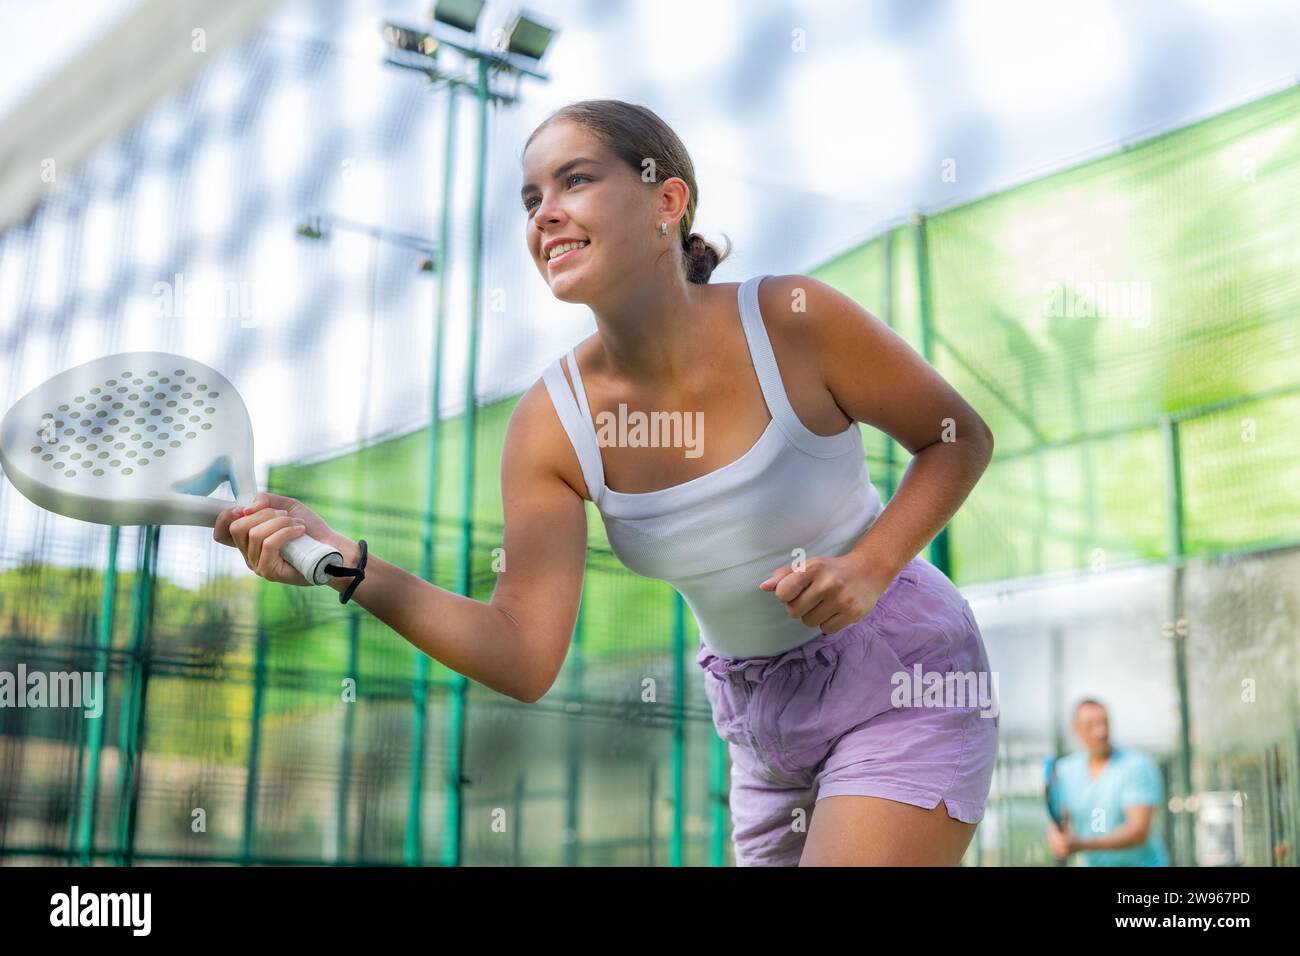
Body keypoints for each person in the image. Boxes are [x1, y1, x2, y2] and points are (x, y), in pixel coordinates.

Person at [214, 99, 999, 866]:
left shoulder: (793, 319)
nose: (545, 214)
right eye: (531, 199)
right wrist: (346, 566)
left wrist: (868, 567)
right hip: (759, 722)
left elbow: (956, 436)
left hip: (903, 676)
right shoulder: (549, 424)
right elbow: (523, 655)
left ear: (667, 202)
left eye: (576, 180)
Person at [1046, 698, 1171, 866]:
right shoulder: (1065, 770)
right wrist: (1056, 836)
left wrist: (1083, 845)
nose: (1100, 731)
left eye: (1104, 723)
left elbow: (1138, 832)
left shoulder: (1137, 765)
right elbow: (1059, 819)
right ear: (1076, 730)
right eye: (1090, 725)